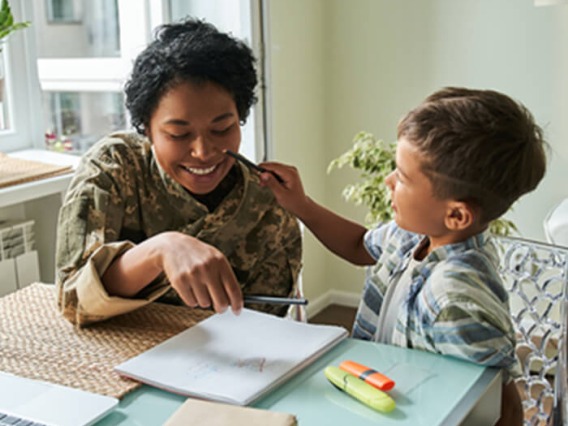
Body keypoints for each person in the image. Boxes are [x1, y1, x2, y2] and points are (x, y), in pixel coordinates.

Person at [259, 87, 547, 425]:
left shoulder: (459, 298)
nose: (388, 180)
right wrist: (301, 206)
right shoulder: (413, 234)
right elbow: (359, 246)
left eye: (403, 177)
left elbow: (503, 404)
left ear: (456, 215)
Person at [55, 18, 302, 326]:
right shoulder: (113, 170)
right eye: (178, 134)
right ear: (147, 130)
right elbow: (73, 300)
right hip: (114, 357)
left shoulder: (265, 206)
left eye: (222, 129)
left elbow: (264, 328)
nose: (202, 151)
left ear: (240, 119)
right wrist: (160, 250)